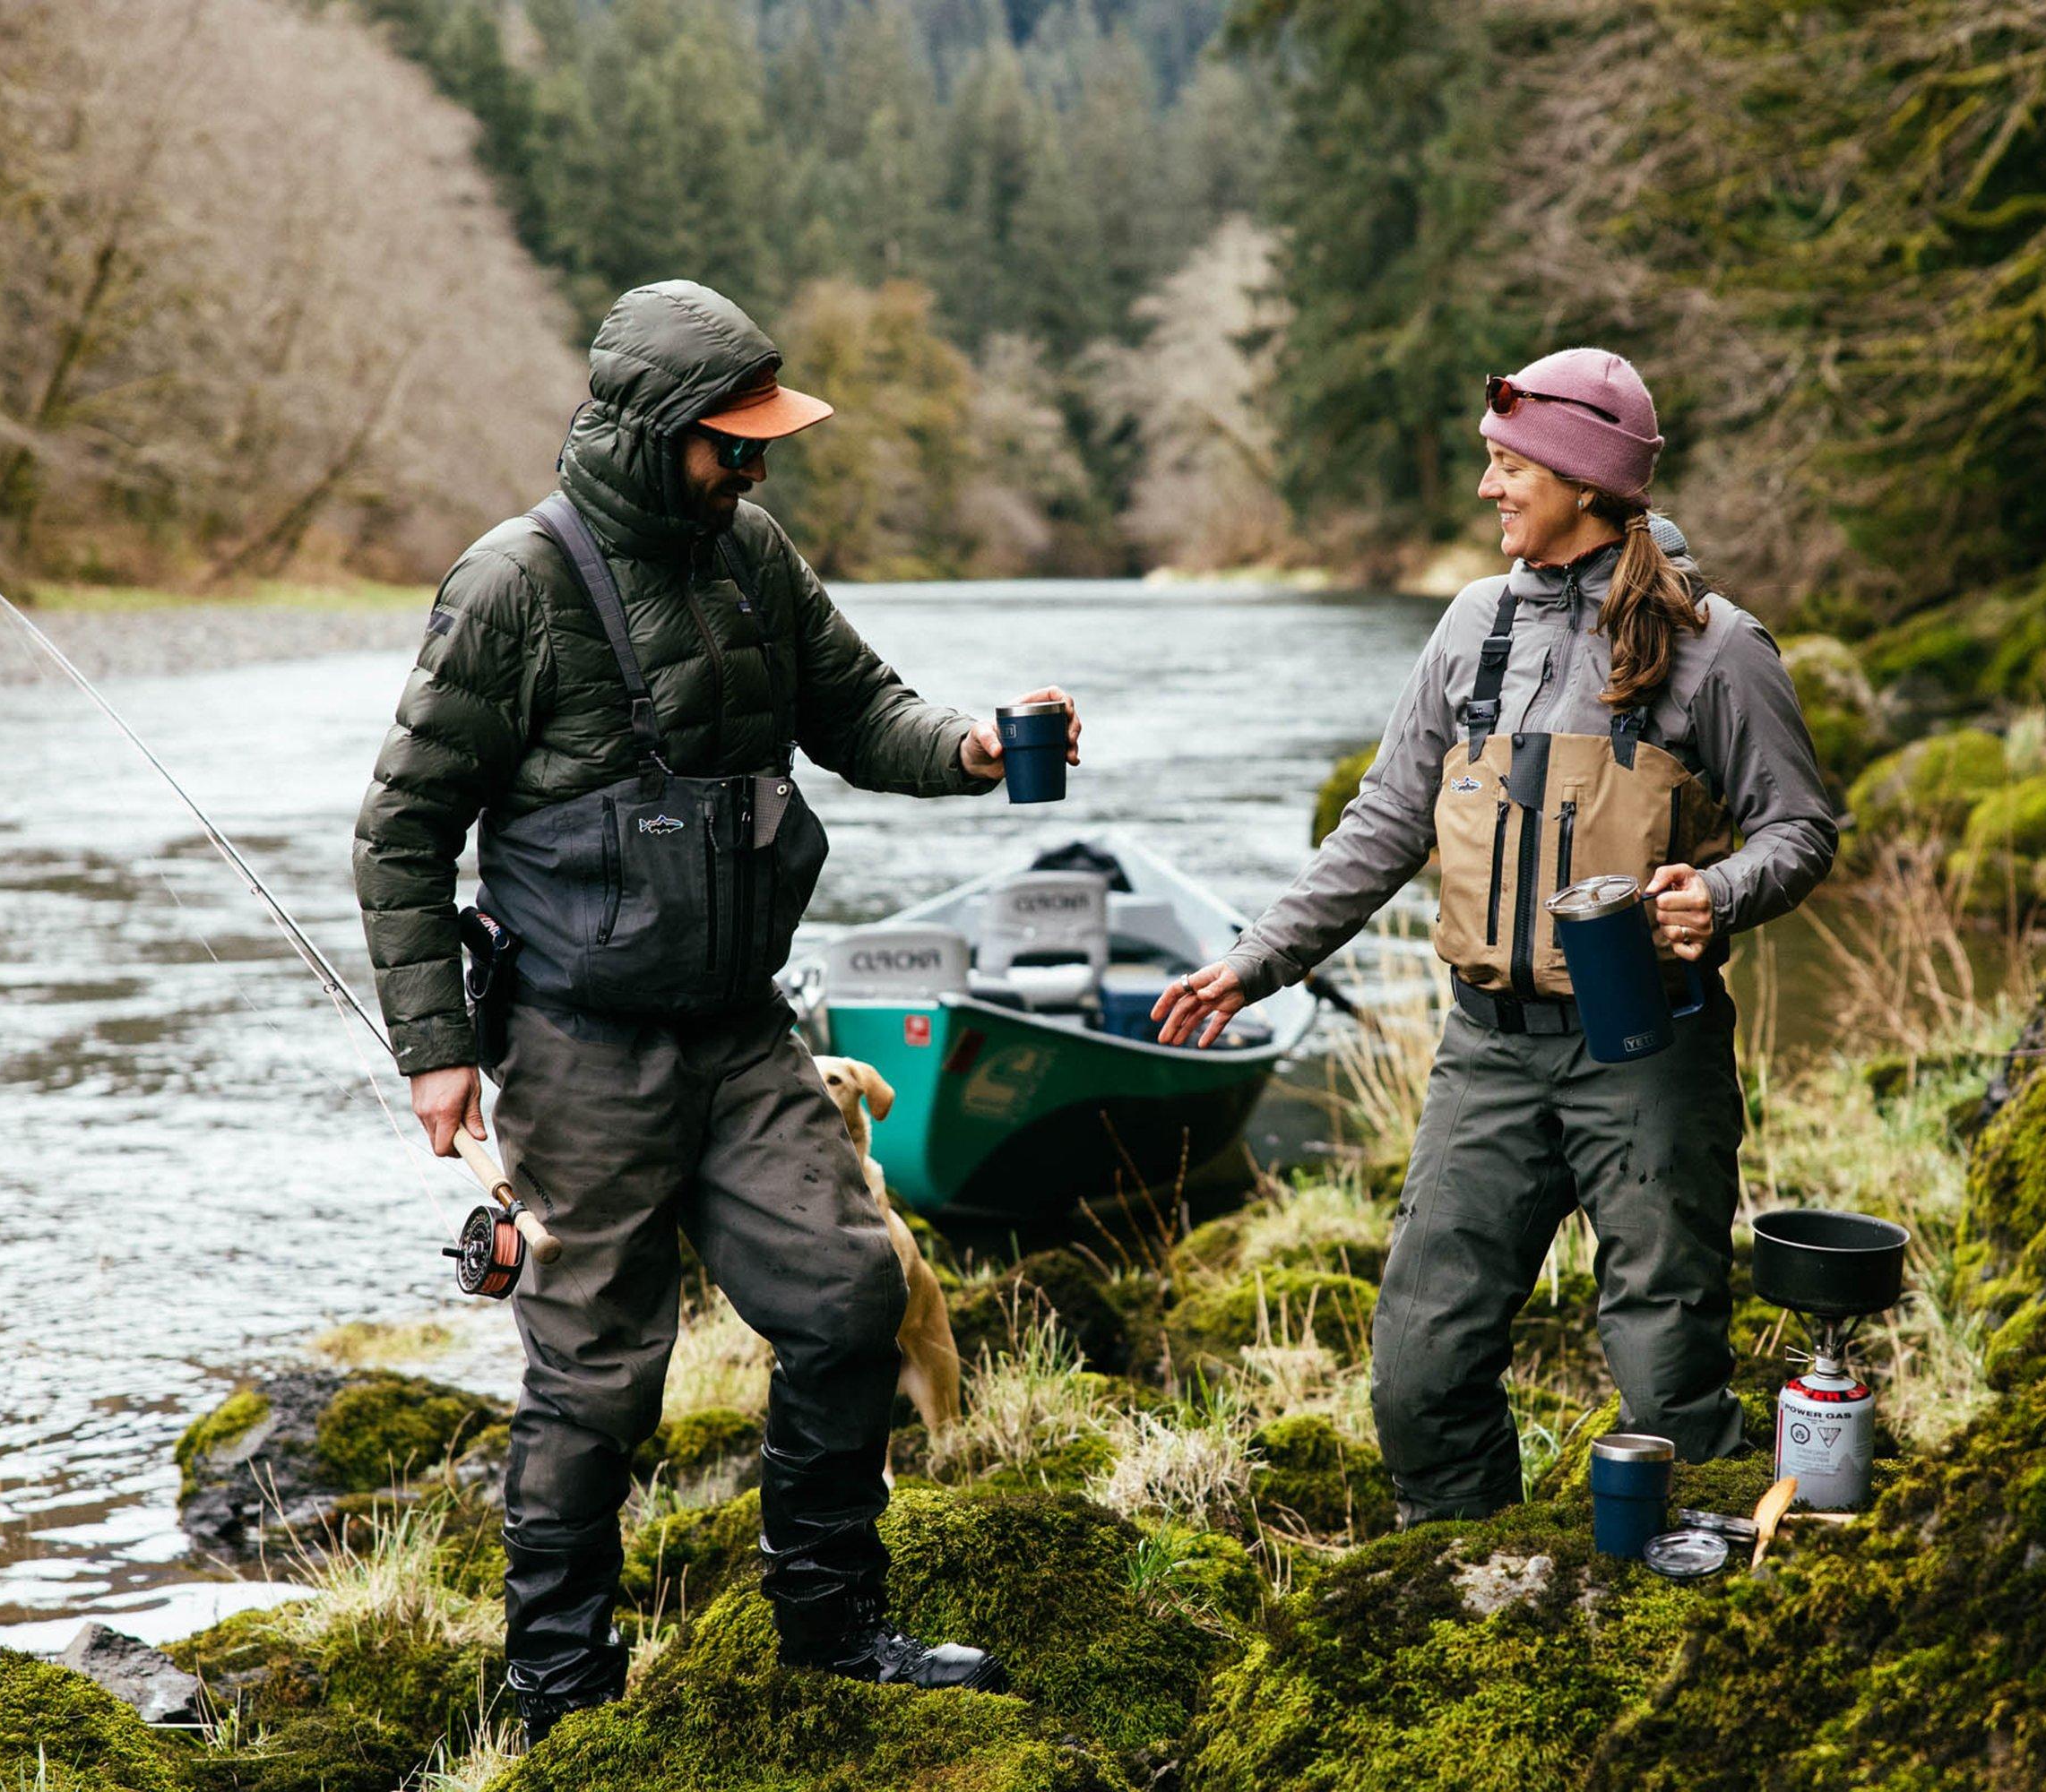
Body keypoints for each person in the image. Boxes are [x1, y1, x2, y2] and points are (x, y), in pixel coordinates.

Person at [354, 280, 1080, 1738]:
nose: (755, 468)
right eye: (730, 445)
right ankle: (558, 1689)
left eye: (763, 446)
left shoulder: (752, 552)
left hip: (744, 1034)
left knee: (852, 1291)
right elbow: (402, 832)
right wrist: (438, 1054)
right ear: (651, 431)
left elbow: (861, 708)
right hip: (573, 1047)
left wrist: (971, 753)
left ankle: (832, 1623)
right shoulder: (512, 586)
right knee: (597, 1383)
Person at [1152, 349, 1838, 1524]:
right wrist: (1254, 960)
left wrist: (1716, 897)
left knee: (1666, 1381)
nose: (1489, 489)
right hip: (1487, 1054)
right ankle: (1465, 1577)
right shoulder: (1473, 628)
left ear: (1585, 480)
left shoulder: (1717, 648)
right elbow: (1381, 828)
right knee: (1418, 1373)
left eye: (1509, 464)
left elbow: (1803, 828)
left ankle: (1689, 1605)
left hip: (1647, 1052)